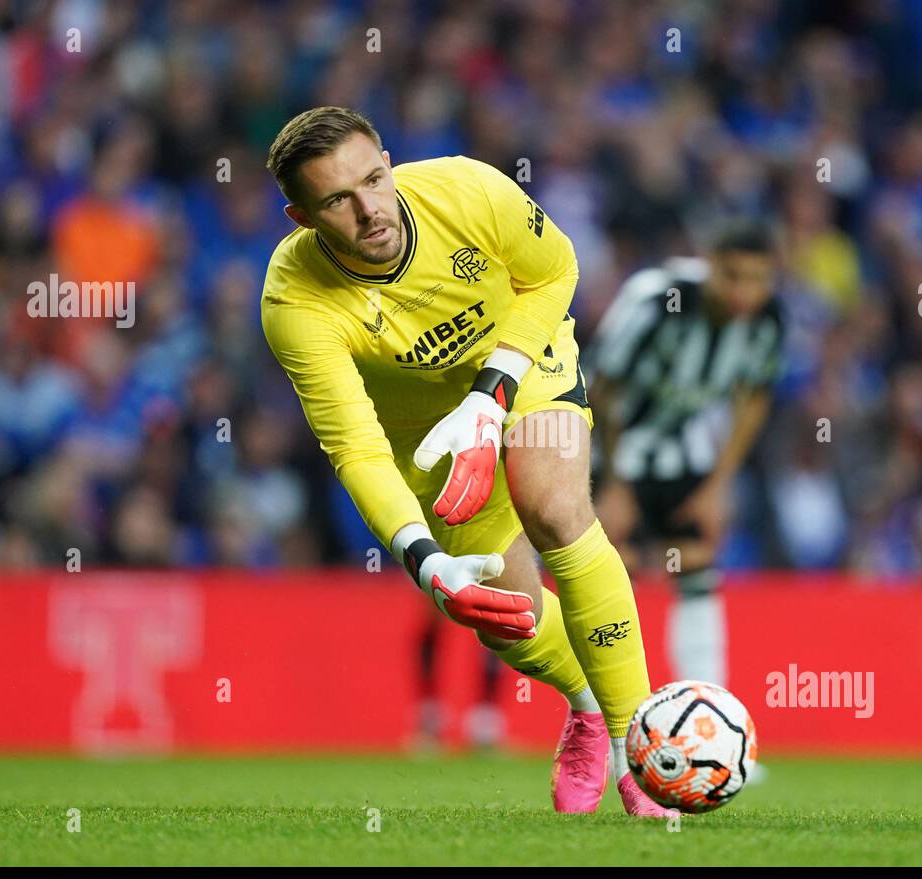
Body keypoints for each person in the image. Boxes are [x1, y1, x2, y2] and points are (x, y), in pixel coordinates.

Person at [260, 106, 674, 816]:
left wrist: (493, 392)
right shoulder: (293, 301)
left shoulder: (469, 191)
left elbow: (555, 270)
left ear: (389, 162)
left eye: (374, 179)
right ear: (302, 216)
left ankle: (638, 743)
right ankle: (584, 702)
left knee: (555, 510)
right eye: (337, 200)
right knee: (504, 618)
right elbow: (355, 445)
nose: (369, 211)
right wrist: (423, 560)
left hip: (523, 363)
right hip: (427, 439)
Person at [589, 222, 783, 687]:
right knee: (618, 572)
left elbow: (755, 397)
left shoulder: (768, 320)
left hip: (681, 449)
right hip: (610, 446)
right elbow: (602, 387)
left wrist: (718, 486)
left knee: (696, 565)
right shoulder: (657, 301)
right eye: (733, 276)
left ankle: (710, 719)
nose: (744, 292)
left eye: (757, 280)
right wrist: (613, 485)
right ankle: (604, 726)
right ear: (710, 267)